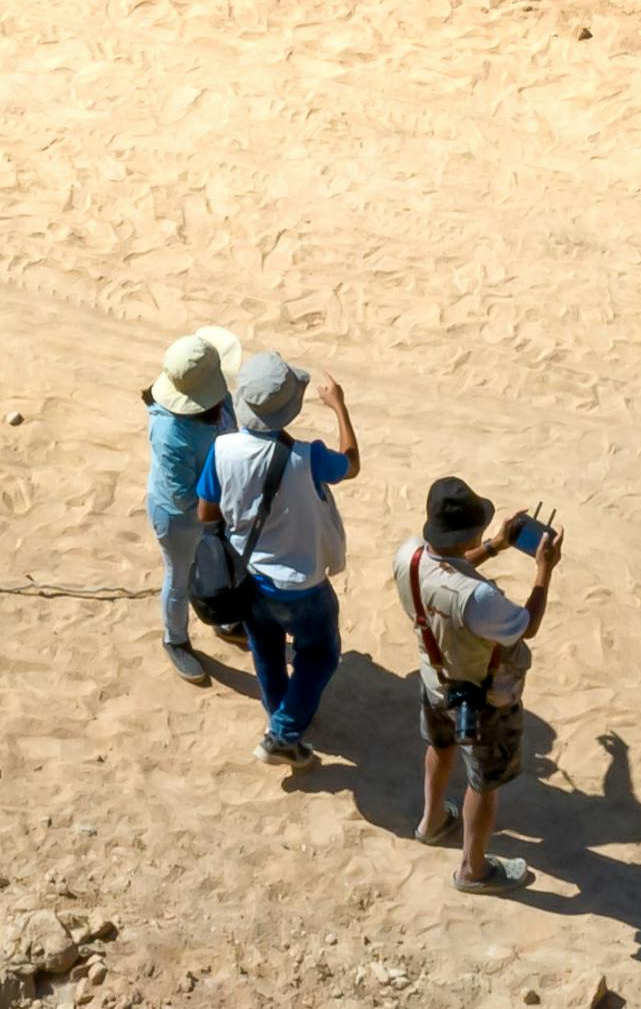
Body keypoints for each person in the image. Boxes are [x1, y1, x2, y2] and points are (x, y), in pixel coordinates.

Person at [394, 477, 562, 893]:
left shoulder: (408, 556)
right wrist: (544, 570)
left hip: (434, 680)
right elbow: (528, 626)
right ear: (472, 531)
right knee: (483, 782)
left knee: (440, 746)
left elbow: (450, 568)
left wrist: (497, 547)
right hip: (481, 697)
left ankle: (432, 821)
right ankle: (472, 869)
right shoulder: (480, 600)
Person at [199, 353, 361, 766]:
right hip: (302, 583)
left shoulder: (222, 449)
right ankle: (284, 732)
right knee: (321, 654)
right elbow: (352, 464)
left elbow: (205, 513)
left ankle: (279, 713)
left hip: (249, 579)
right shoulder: (309, 456)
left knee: (266, 651)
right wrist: (339, 406)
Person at [143, 326, 244, 685]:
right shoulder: (171, 433)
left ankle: (223, 619)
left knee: (218, 563)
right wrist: (223, 502)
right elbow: (182, 496)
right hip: (181, 518)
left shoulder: (221, 401)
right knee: (180, 576)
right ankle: (176, 640)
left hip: (215, 507)